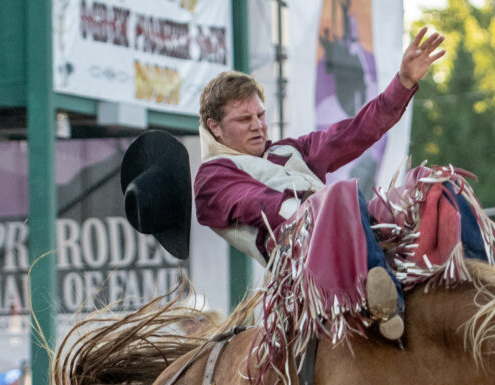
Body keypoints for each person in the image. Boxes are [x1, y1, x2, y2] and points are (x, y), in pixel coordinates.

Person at [192, 27, 449, 342]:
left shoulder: (287, 151)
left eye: (261, 115)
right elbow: (255, 202)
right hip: (303, 266)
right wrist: (314, 206)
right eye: (245, 120)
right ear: (214, 128)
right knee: (341, 194)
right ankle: (386, 305)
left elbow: (354, 132)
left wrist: (404, 82)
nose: (259, 126)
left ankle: (474, 286)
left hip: (351, 229)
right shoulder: (211, 177)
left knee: (431, 183)